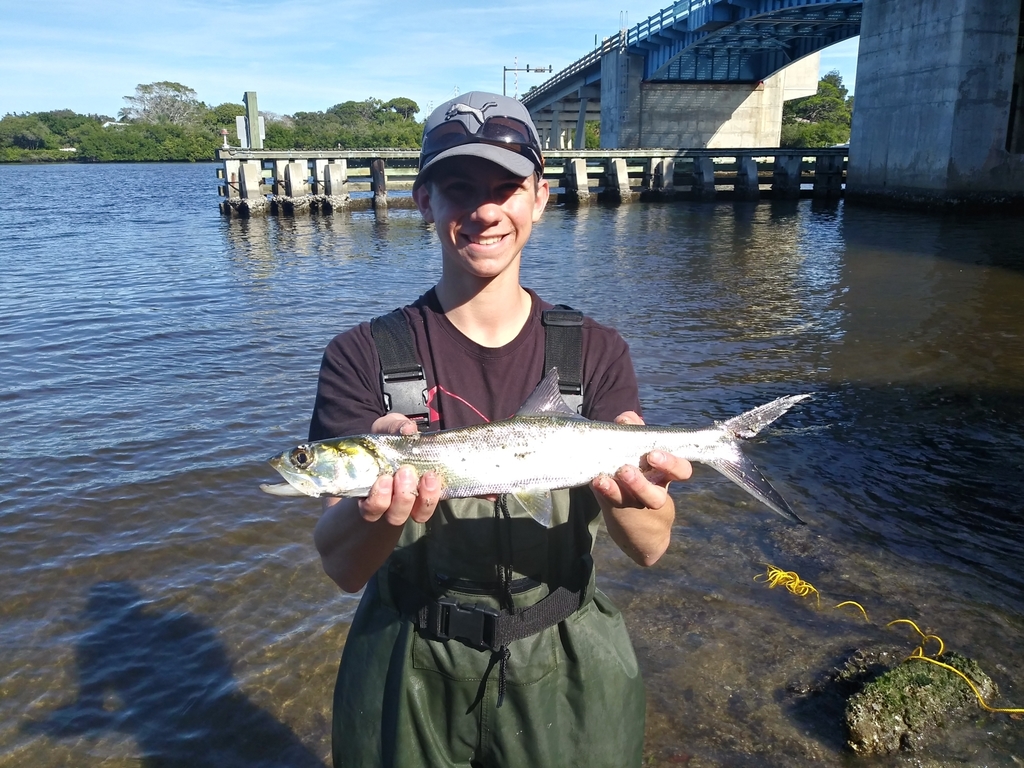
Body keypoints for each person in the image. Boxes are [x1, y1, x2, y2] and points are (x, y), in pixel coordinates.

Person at [310, 90, 692, 768]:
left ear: (539, 198)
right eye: (458, 189)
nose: (484, 210)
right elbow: (343, 568)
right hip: (409, 653)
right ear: (424, 201)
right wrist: (381, 514)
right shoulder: (359, 354)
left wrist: (633, 495)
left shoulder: (595, 351)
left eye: (506, 188)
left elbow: (650, 549)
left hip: (567, 653)